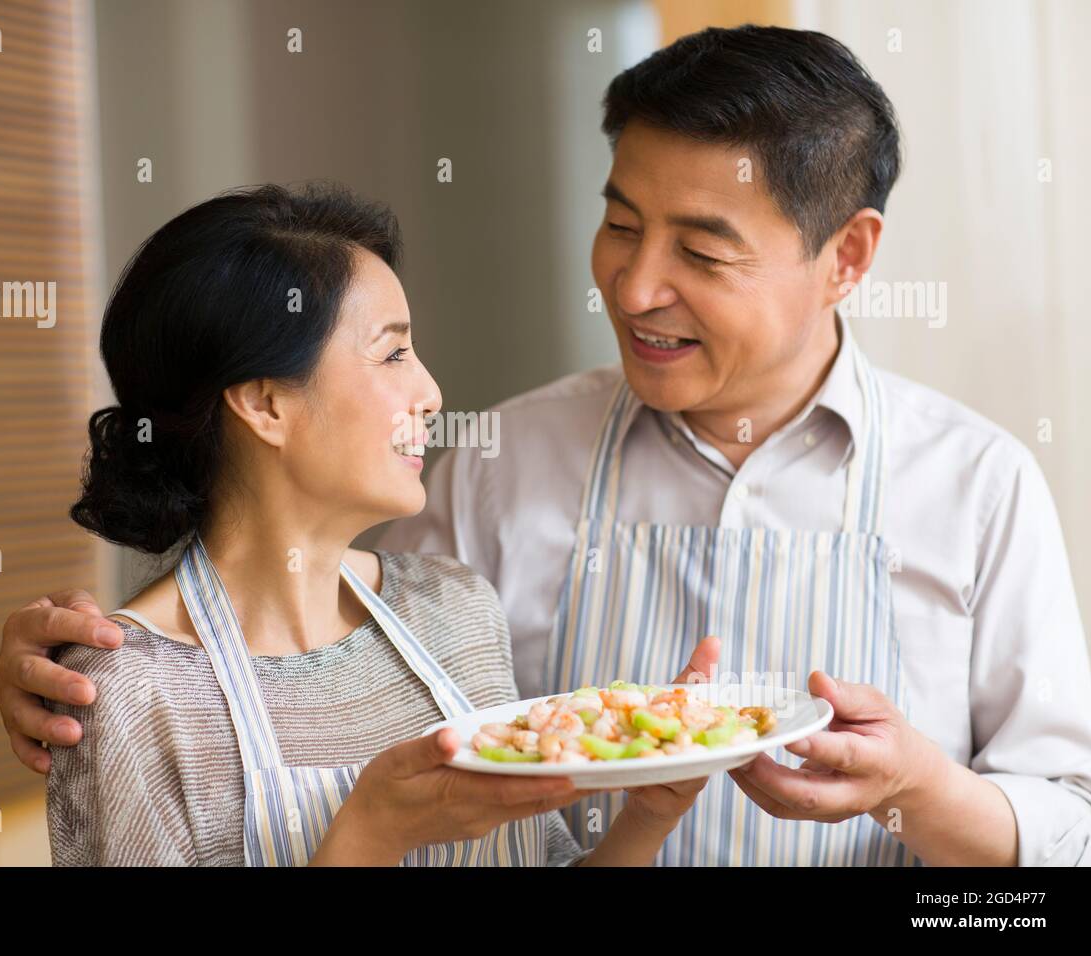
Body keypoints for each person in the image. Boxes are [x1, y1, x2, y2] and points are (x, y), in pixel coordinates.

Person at [0, 27, 1091, 866]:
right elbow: (263, 586)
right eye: (620, 223)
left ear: (847, 256)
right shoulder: (493, 464)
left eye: (701, 250)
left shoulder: (977, 483)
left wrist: (918, 787)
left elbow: (1073, 825)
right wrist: (83, 662)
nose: (632, 283)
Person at [42, 182, 710, 866]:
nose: (431, 394)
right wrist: (367, 838)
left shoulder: (454, 611)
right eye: (392, 354)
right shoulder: (131, 694)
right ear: (266, 402)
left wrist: (649, 818)